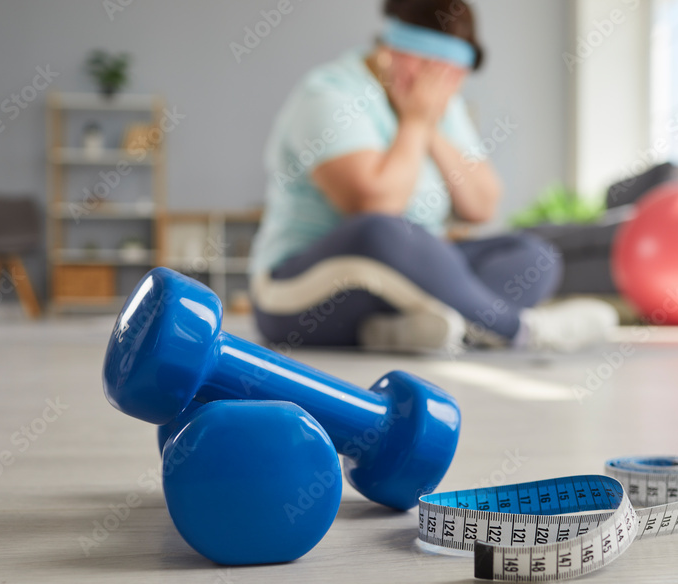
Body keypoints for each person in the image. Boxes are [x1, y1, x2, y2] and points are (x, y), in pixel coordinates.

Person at [249, 0, 617, 352]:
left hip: (410, 284)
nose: (440, 82)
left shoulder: (443, 104)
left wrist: (431, 127)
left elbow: (482, 205)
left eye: (453, 74)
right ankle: (522, 331)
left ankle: (403, 332)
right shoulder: (329, 93)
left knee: (534, 256)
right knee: (381, 230)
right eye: (428, 65)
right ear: (389, 49)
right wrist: (415, 121)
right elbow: (374, 203)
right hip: (299, 291)